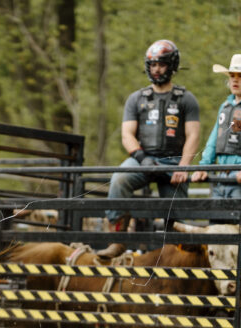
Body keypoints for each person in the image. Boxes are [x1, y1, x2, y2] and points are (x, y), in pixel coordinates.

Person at [99, 40, 200, 258]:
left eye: (161, 64)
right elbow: (127, 134)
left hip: (174, 162)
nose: (156, 69)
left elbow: (193, 135)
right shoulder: (136, 98)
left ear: (172, 65)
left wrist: (183, 167)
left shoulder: (187, 99)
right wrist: (141, 157)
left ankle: (177, 251)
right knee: (119, 178)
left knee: (177, 212)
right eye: (152, 64)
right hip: (143, 158)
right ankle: (117, 240)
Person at [192, 54, 241, 199]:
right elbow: (214, 140)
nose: (235, 79)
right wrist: (204, 167)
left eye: (240, 75)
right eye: (232, 75)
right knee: (216, 219)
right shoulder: (225, 107)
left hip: (238, 176)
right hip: (220, 175)